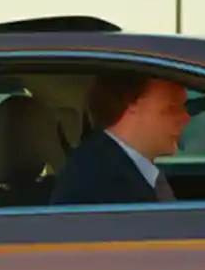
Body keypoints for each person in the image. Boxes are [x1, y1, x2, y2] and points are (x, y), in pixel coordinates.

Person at [51, 73, 191, 205]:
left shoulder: (110, 165)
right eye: (171, 108)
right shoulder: (104, 186)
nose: (186, 118)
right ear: (132, 102)